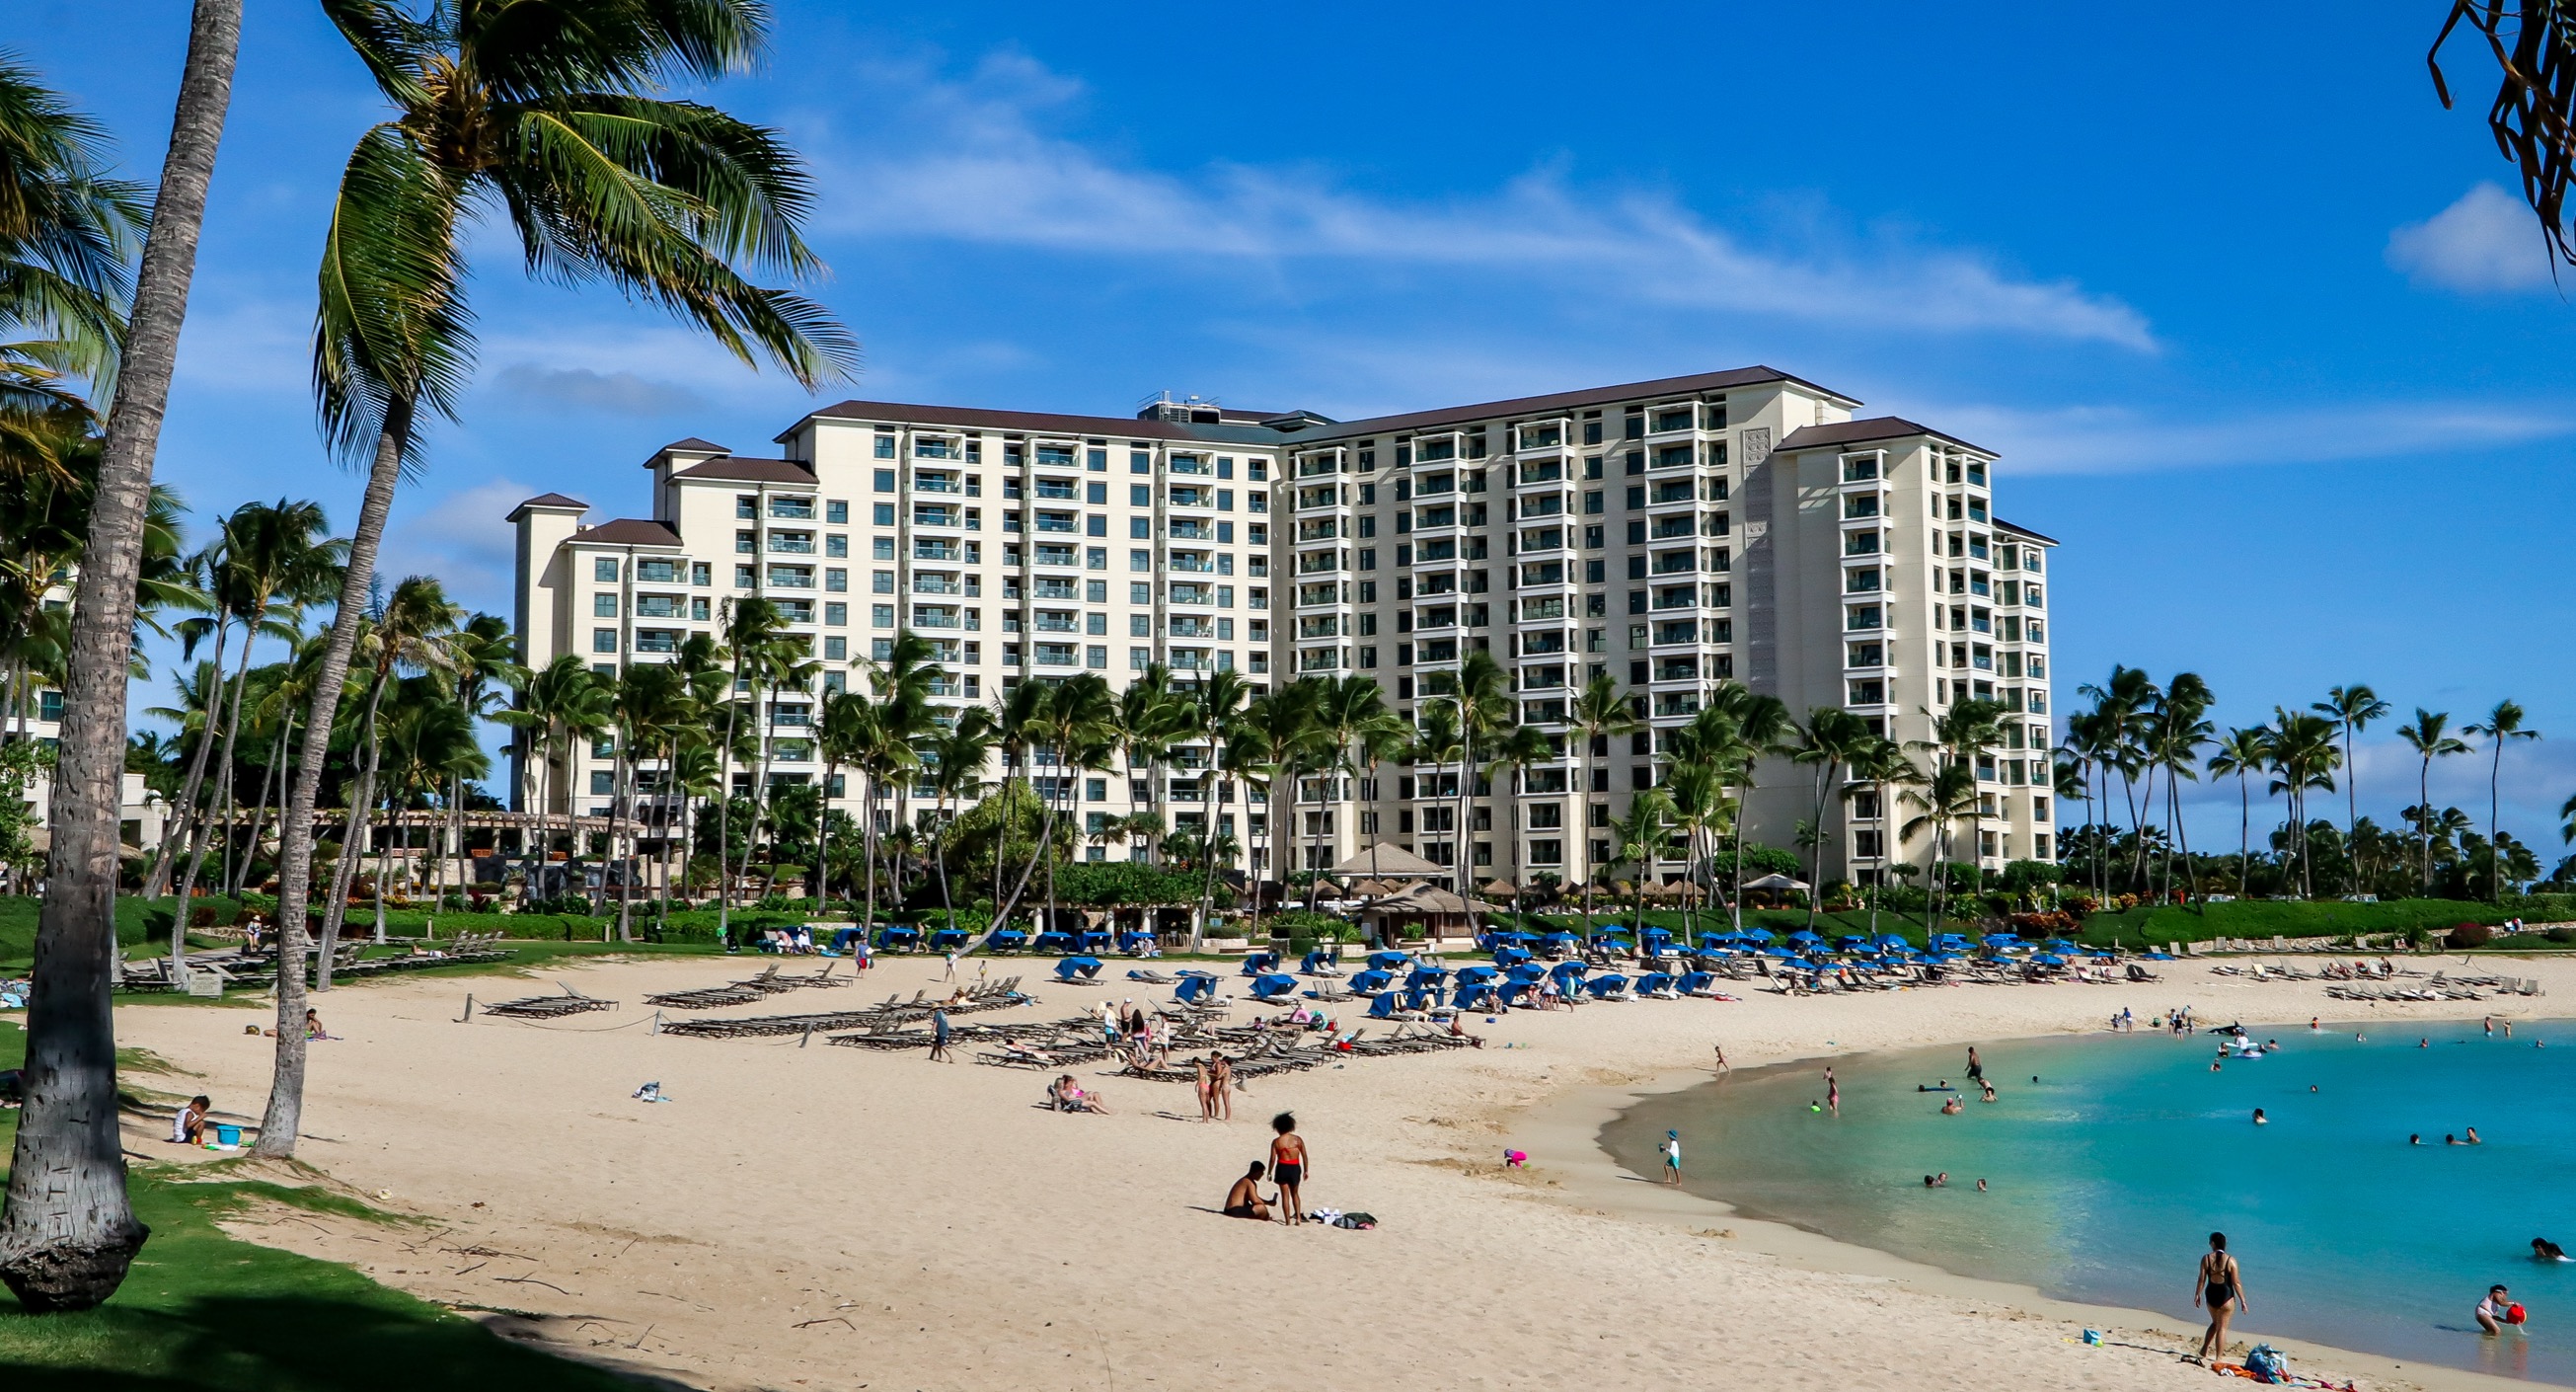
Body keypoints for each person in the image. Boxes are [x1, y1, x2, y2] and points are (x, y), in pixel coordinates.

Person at [2194, 1232, 2246, 1363]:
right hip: (2226, 1295)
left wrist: (2197, 1294)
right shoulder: (2231, 1260)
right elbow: (2236, 1283)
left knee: (2215, 1323)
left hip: (2211, 1294)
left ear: (2212, 1243)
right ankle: (2218, 1358)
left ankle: (2204, 1349)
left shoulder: (2205, 1258)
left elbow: (2201, 1279)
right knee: (2222, 1327)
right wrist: (2243, 1301)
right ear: (2225, 1243)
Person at [1269, 1112, 1309, 1225]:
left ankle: (1287, 1221)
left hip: (1282, 1167)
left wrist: (1269, 1172)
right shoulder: (1297, 1140)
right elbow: (1304, 1156)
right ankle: (1298, 1218)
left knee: (1285, 1196)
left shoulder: (1276, 1142)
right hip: (1294, 1167)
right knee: (1295, 1193)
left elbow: (1272, 1159)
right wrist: (1306, 1170)